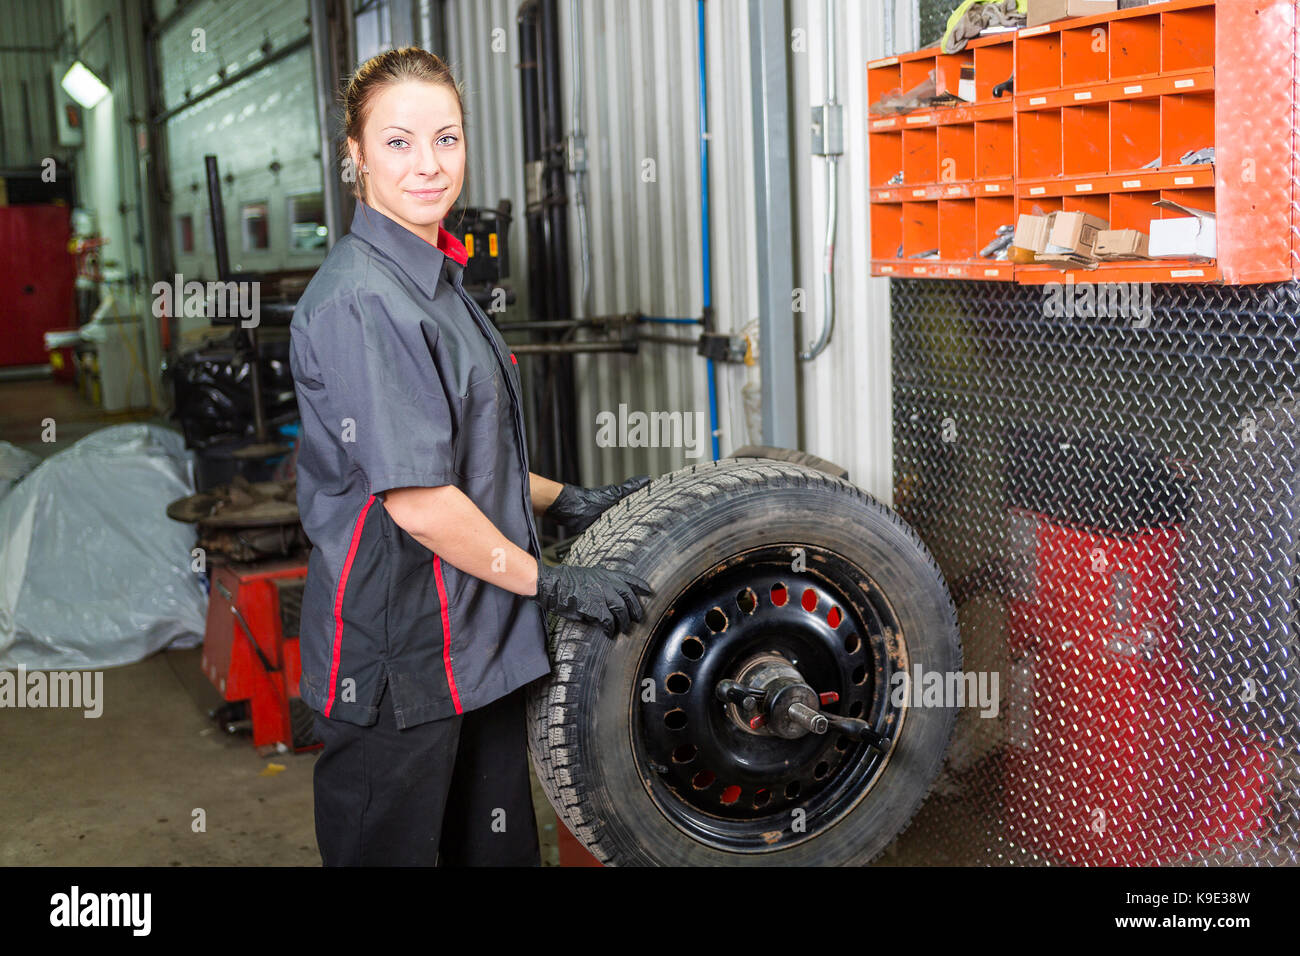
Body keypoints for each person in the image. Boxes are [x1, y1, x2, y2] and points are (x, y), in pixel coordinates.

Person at [288, 47, 652, 867]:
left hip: (477, 640)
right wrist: (551, 580)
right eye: (398, 142)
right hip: (399, 659)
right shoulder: (362, 301)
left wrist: (568, 501)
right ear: (354, 154)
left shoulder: (434, 280)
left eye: (445, 139)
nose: (428, 165)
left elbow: (461, 459)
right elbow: (416, 500)